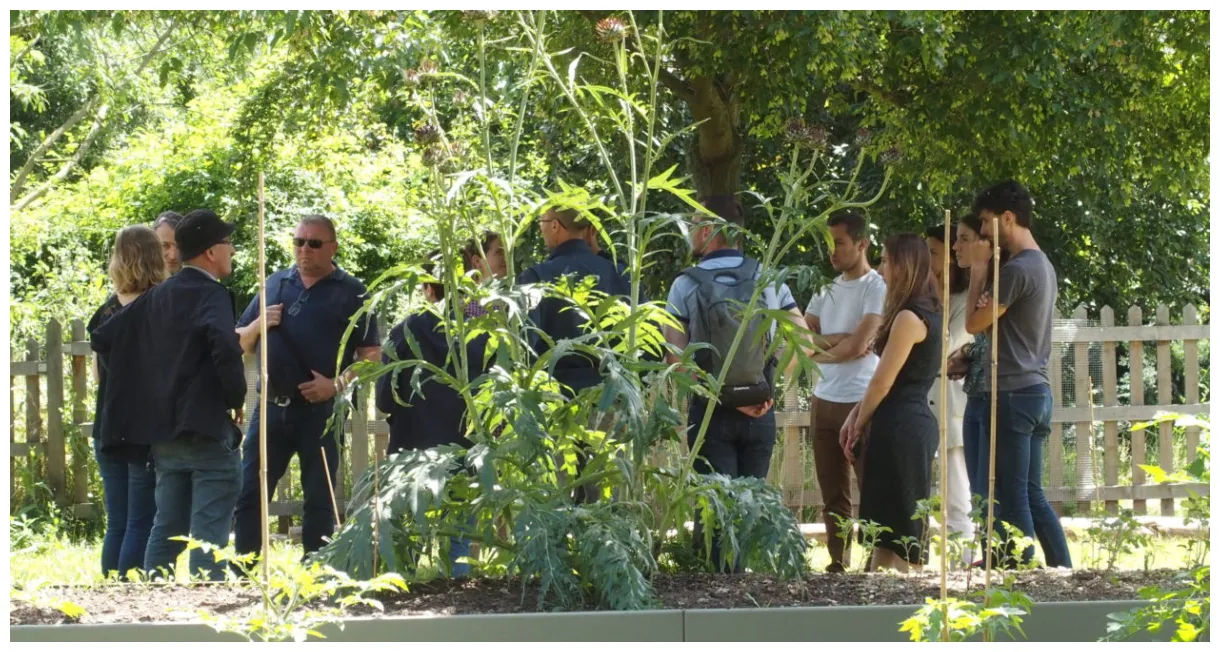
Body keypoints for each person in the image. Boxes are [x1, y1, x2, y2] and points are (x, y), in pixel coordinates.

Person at [91, 209, 246, 581]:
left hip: (163, 435)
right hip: (205, 430)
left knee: (167, 529)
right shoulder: (212, 294)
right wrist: (235, 396)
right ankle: (206, 616)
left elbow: (103, 336)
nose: (233, 250)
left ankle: (151, 604)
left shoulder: (159, 296)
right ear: (210, 252)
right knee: (208, 535)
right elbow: (225, 346)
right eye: (227, 244)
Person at [663, 194, 807, 573]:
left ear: (710, 230)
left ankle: (716, 599)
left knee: (716, 511)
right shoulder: (767, 276)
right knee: (750, 508)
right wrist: (766, 390)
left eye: (694, 224)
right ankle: (746, 596)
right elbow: (802, 338)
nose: (690, 232)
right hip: (761, 410)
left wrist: (719, 397)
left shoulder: (685, 284)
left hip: (710, 413)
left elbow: (675, 360)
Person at [232, 215, 381, 561]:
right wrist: (258, 323)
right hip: (270, 409)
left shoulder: (352, 292)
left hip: (320, 412)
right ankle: (247, 566)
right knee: (251, 492)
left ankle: (317, 568)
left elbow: (372, 356)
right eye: (299, 242)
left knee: (319, 496)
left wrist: (337, 385)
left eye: (314, 243)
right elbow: (239, 341)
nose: (304, 250)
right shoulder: (275, 284)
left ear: (333, 248)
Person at [377, 237, 503, 577]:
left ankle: (399, 582)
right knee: (461, 531)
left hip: (411, 449)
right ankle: (458, 592)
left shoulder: (406, 329)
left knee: (404, 525)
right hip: (467, 448)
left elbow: (383, 399)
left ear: (428, 287)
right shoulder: (486, 329)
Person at [964, 180, 1071, 569]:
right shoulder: (1043, 264)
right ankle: (1062, 569)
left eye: (986, 221)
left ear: (1008, 218)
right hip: (1037, 392)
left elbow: (974, 323)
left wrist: (978, 270)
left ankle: (1021, 572)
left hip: (1010, 393)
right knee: (1031, 491)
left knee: (1013, 494)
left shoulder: (1016, 270)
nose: (982, 231)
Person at [841, 233, 942, 573]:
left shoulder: (910, 318)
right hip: (902, 423)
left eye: (885, 261)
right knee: (885, 530)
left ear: (904, 265)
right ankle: (880, 594)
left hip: (902, 427)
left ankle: (899, 599)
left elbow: (883, 382)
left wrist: (856, 424)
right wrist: (856, 415)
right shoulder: (925, 312)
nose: (882, 270)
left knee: (897, 530)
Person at [517, 207, 633, 503]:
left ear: (556, 226)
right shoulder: (620, 277)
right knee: (605, 504)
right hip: (609, 399)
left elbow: (524, 346)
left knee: (552, 500)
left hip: (554, 403)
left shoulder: (536, 278)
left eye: (542, 224)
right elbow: (642, 342)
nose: (541, 230)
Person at [803, 210, 886, 573]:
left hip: (860, 399)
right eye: (828, 243)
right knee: (832, 491)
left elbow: (860, 345)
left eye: (839, 242)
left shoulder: (876, 287)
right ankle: (838, 560)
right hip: (823, 399)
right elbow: (800, 342)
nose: (832, 251)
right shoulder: (825, 288)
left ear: (862, 243)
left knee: (870, 487)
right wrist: (840, 339)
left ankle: (875, 558)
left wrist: (833, 346)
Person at [87, 225, 166, 580]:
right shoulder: (161, 306)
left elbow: (97, 376)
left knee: (117, 522)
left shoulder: (105, 312)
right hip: (142, 428)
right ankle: (130, 595)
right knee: (142, 521)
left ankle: (110, 601)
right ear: (156, 257)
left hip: (106, 425)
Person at [925, 223, 975, 564]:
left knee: (957, 492)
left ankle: (964, 560)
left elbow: (943, 350)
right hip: (923, 404)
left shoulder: (963, 301)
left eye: (934, 253)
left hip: (952, 407)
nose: (927, 260)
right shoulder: (922, 300)